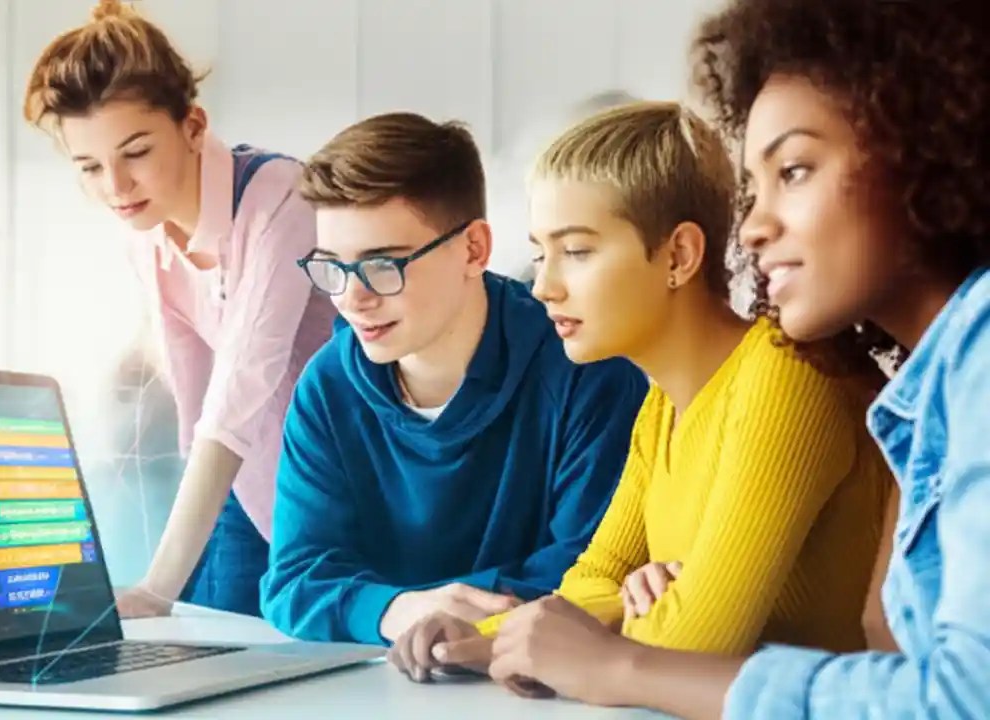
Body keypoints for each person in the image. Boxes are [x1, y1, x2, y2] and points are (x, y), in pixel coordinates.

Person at [465, 1, 990, 718]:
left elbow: (957, 698)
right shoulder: (929, 393)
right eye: (755, 186)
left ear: (924, 146)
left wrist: (620, 659)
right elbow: (600, 582)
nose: (754, 225)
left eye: (796, 170)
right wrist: (508, 632)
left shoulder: (962, 363)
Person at [387, 101, 894, 682]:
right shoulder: (661, 408)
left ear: (678, 255)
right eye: (539, 253)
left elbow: (696, 645)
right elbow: (589, 582)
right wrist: (480, 635)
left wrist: (602, 629)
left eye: (576, 251)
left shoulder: (785, 373)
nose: (545, 286)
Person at [258, 112, 648, 645]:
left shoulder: (585, 371)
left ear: (473, 249)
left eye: (381, 265)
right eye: (331, 267)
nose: (352, 298)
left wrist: (444, 613)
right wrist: (398, 610)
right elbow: (294, 581)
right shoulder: (327, 387)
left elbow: (592, 569)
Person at [22, 0, 338, 618]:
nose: (115, 187)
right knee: (195, 646)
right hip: (238, 479)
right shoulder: (144, 230)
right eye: (89, 167)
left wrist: (157, 585)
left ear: (193, 126)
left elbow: (244, 382)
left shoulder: (279, 196)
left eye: (135, 152)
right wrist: (161, 579)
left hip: (329, 482)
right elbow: (195, 396)